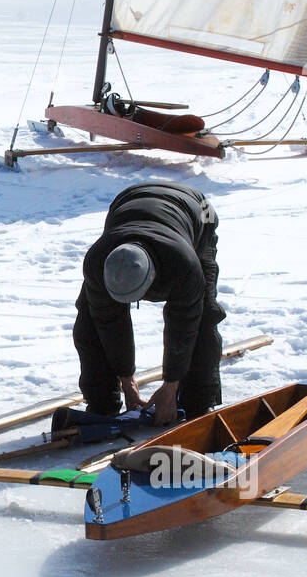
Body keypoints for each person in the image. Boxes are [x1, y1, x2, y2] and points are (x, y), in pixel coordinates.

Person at [74, 182, 225, 426]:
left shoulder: (183, 265)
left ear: (152, 278)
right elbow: (109, 322)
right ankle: (102, 402)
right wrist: (127, 382)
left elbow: (183, 326)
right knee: (90, 319)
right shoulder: (97, 262)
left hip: (200, 209)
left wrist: (170, 385)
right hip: (127, 200)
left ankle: (197, 402)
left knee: (204, 316)